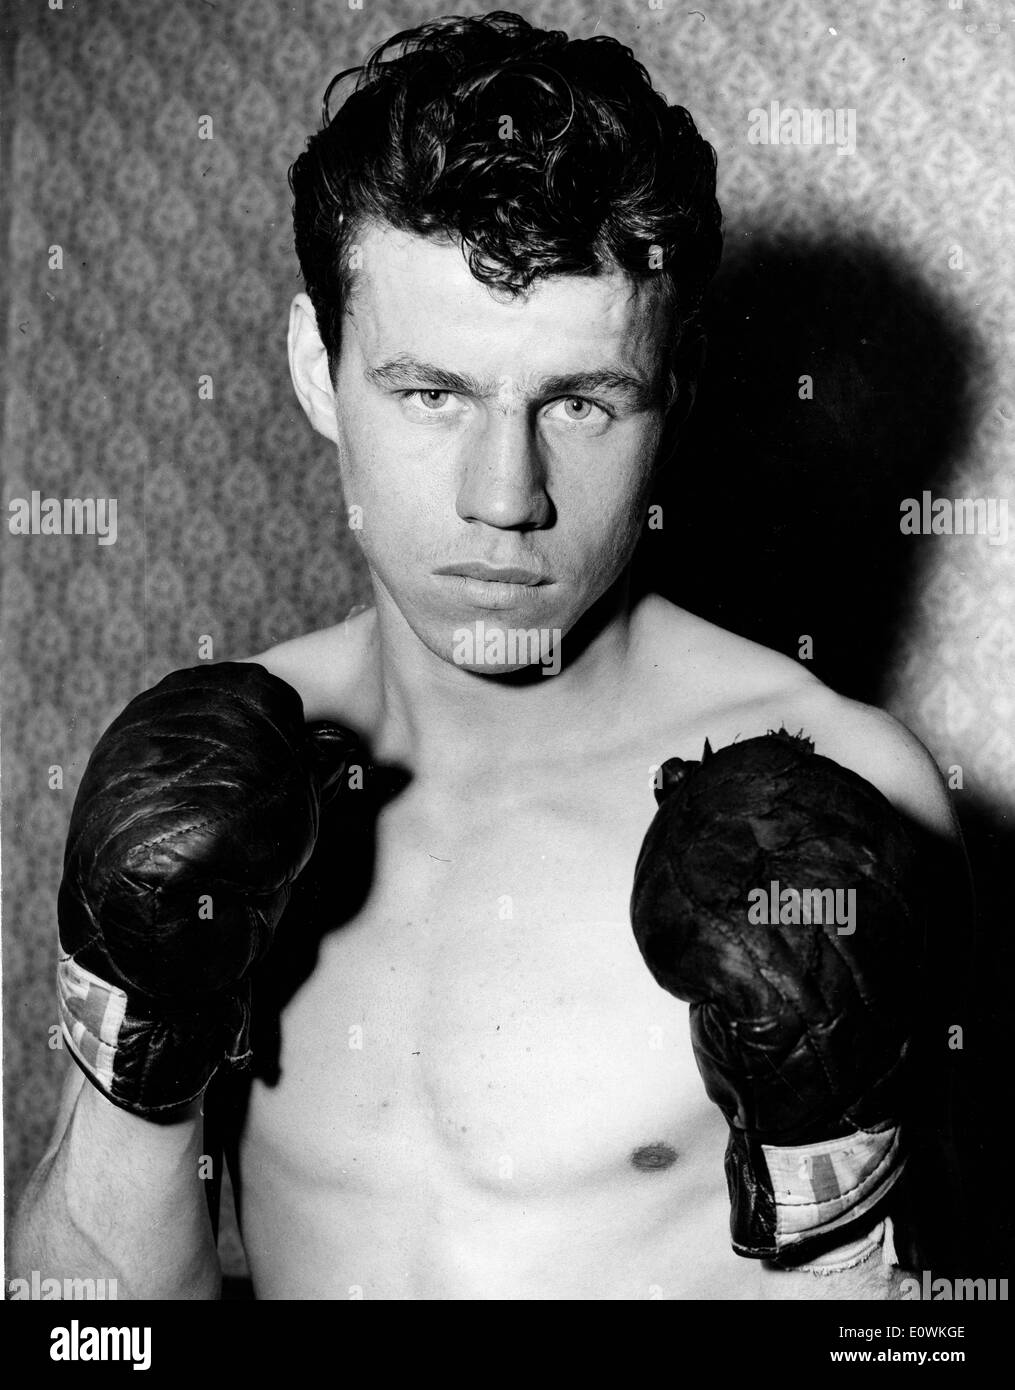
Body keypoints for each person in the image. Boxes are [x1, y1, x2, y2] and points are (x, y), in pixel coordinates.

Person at [11, 11, 964, 1301]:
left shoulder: (857, 794)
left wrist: (832, 1187)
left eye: (579, 402)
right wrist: (140, 1034)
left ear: (672, 398)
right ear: (314, 368)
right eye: (431, 394)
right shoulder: (203, 789)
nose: (504, 495)